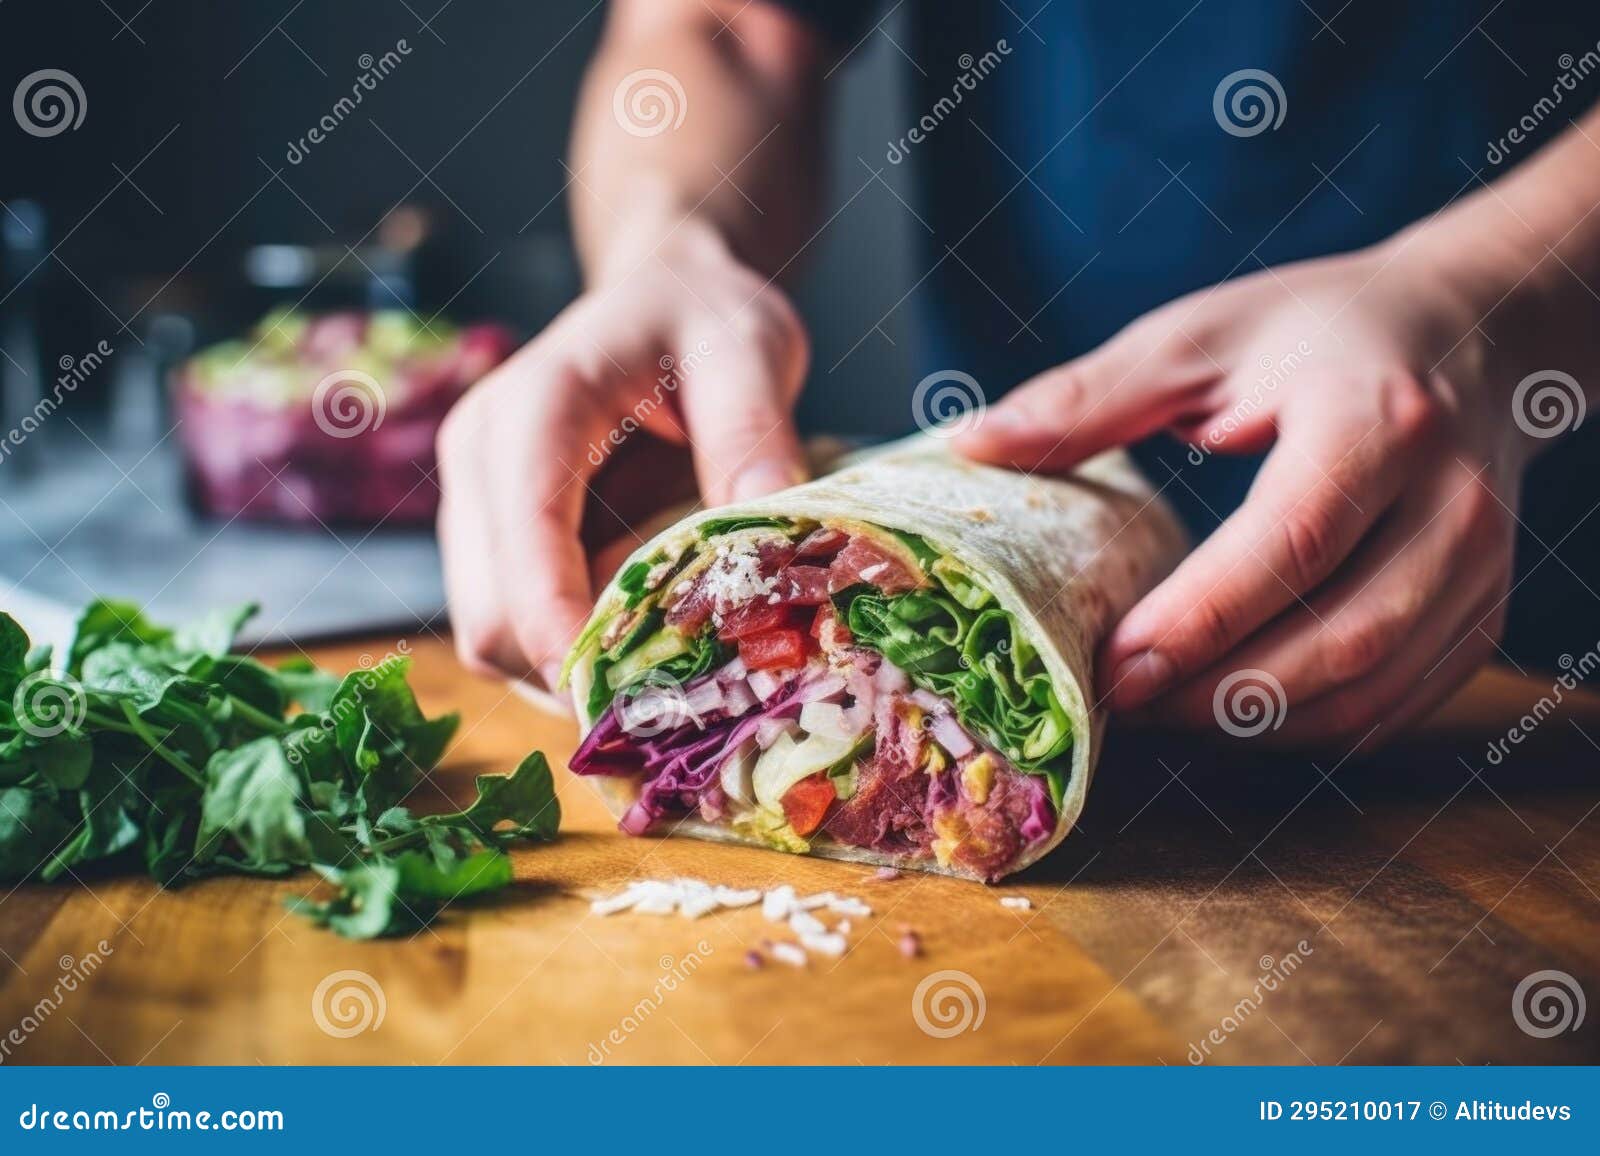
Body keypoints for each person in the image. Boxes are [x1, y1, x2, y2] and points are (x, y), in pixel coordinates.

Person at [437, 0, 1600, 747]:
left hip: (1545, 610)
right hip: (996, 453)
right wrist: (667, 250)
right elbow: (725, 24)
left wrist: (1494, 297)